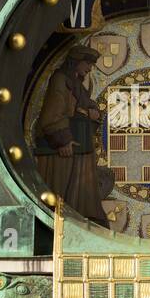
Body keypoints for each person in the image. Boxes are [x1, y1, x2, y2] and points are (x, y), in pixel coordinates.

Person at [34, 44, 107, 224]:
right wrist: (63, 141)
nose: (89, 68)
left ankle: (83, 216)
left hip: (78, 146)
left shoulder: (75, 82)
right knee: (66, 190)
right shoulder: (60, 80)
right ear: (76, 61)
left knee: (80, 188)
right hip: (62, 148)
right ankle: (71, 217)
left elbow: (85, 104)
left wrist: (91, 111)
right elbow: (52, 114)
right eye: (87, 63)